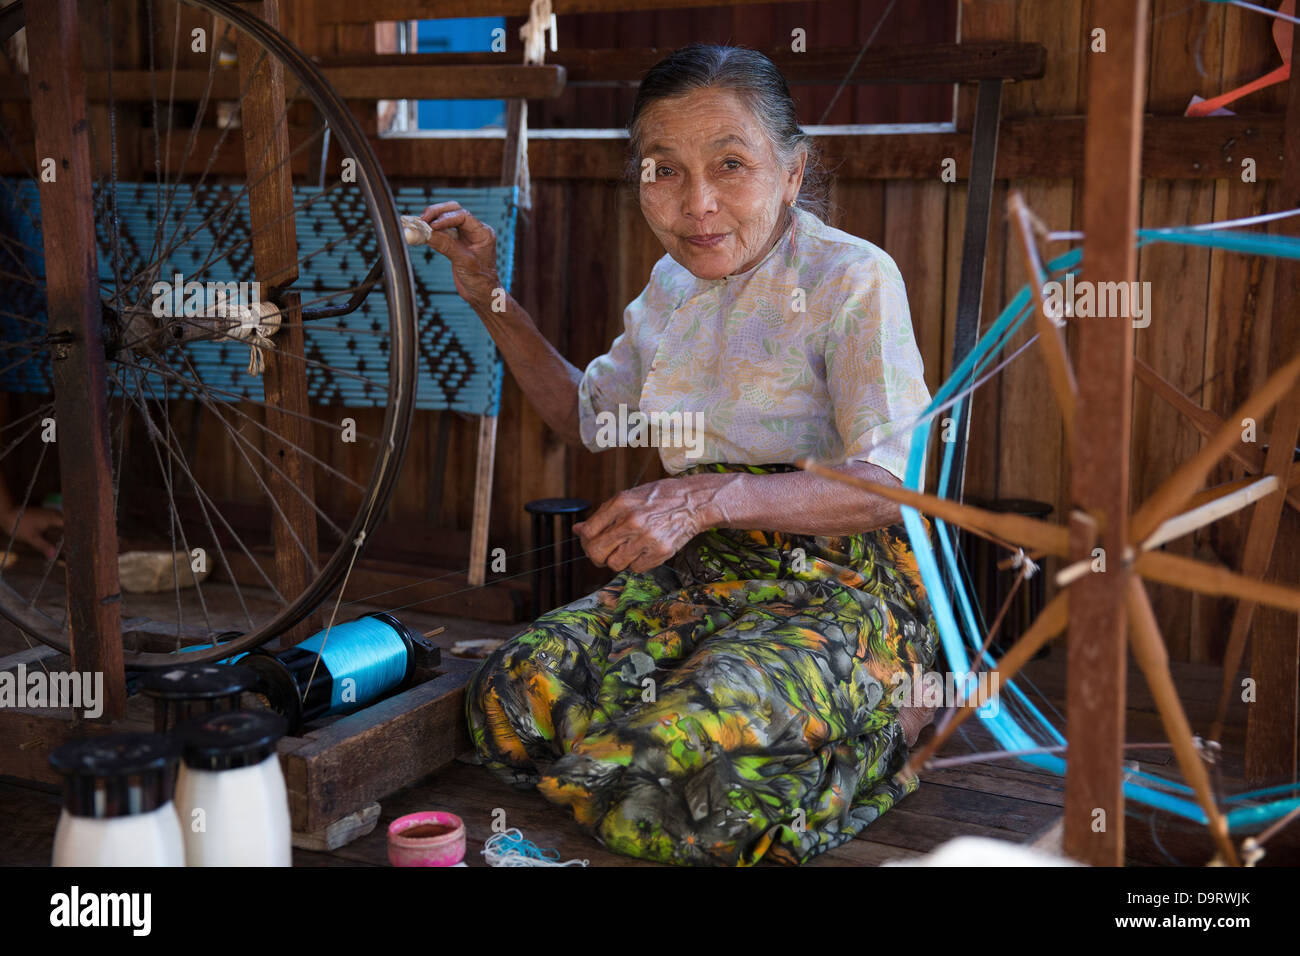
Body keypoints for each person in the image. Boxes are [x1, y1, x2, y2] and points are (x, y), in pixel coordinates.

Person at [421, 43, 938, 866]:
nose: (697, 203)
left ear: (793, 172)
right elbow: (587, 417)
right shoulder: (671, 285)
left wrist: (701, 499)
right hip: (701, 575)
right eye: (663, 169)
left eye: (731, 164)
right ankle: (667, 746)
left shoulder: (852, 280)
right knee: (511, 697)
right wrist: (488, 293)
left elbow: (885, 488)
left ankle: (889, 718)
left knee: (684, 763)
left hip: (840, 587)